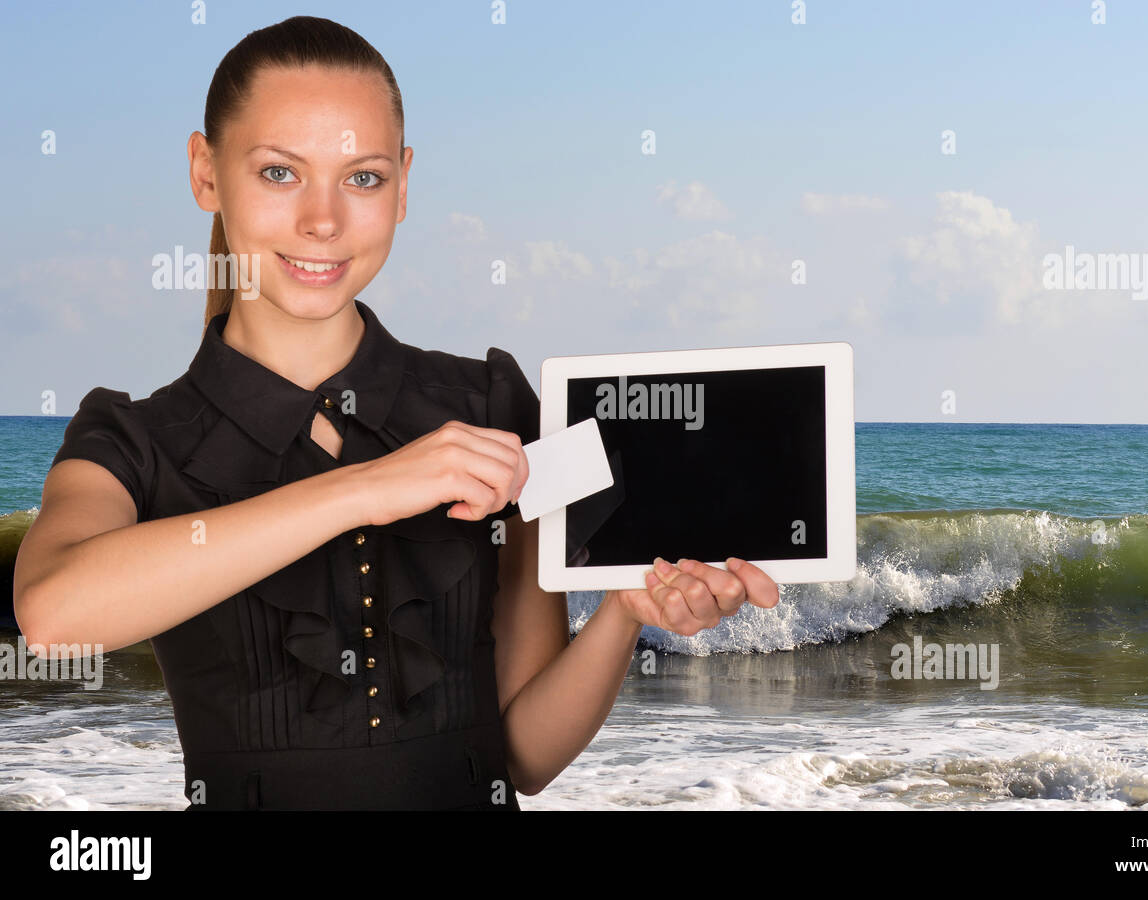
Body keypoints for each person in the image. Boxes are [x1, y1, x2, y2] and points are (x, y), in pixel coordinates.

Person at [12, 15, 779, 810]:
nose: (323, 220)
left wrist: (623, 615)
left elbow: (523, 758)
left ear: (404, 183)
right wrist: (368, 488)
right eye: (279, 173)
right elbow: (53, 616)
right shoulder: (133, 439)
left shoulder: (491, 406)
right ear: (205, 172)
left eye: (363, 177)